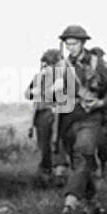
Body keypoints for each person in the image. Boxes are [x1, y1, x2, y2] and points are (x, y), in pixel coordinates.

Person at [54, 25, 107, 214]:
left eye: (74, 43)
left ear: (83, 43)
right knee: (79, 163)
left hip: (90, 118)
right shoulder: (61, 66)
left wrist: (101, 102)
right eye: (68, 44)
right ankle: (92, 201)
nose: (71, 48)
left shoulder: (96, 63)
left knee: (84, 155)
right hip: (68, 119)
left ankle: (70, 202)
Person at [25, 49, 63, 178]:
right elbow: (27, 94)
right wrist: (33, 92)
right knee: (44, 144)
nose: (44, 68)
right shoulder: (38, 78)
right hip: (40, 114)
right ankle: (46, 170)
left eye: (47, 65)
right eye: (43, 65)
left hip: (55, 113)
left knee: (56, 142)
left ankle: (59, 171)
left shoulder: (60, 79)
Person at [89, 47, 107, 177]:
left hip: (103, 112)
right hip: (88, 112)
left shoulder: (105, 72)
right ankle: (92, 167)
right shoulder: (83, 70)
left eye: (98, 57)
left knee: (102, 142)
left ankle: (103, 164)